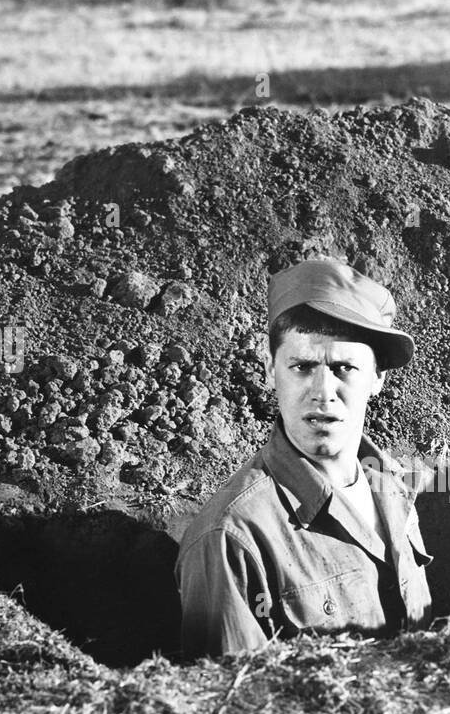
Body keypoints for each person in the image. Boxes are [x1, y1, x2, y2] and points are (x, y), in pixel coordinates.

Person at [174, 257, 435, 659]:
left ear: (378, 377)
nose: (322, 391)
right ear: (271, 369)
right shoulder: (231, 538)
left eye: (344, 367)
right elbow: (236, 704)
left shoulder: (395, 486)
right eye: (301, 366)